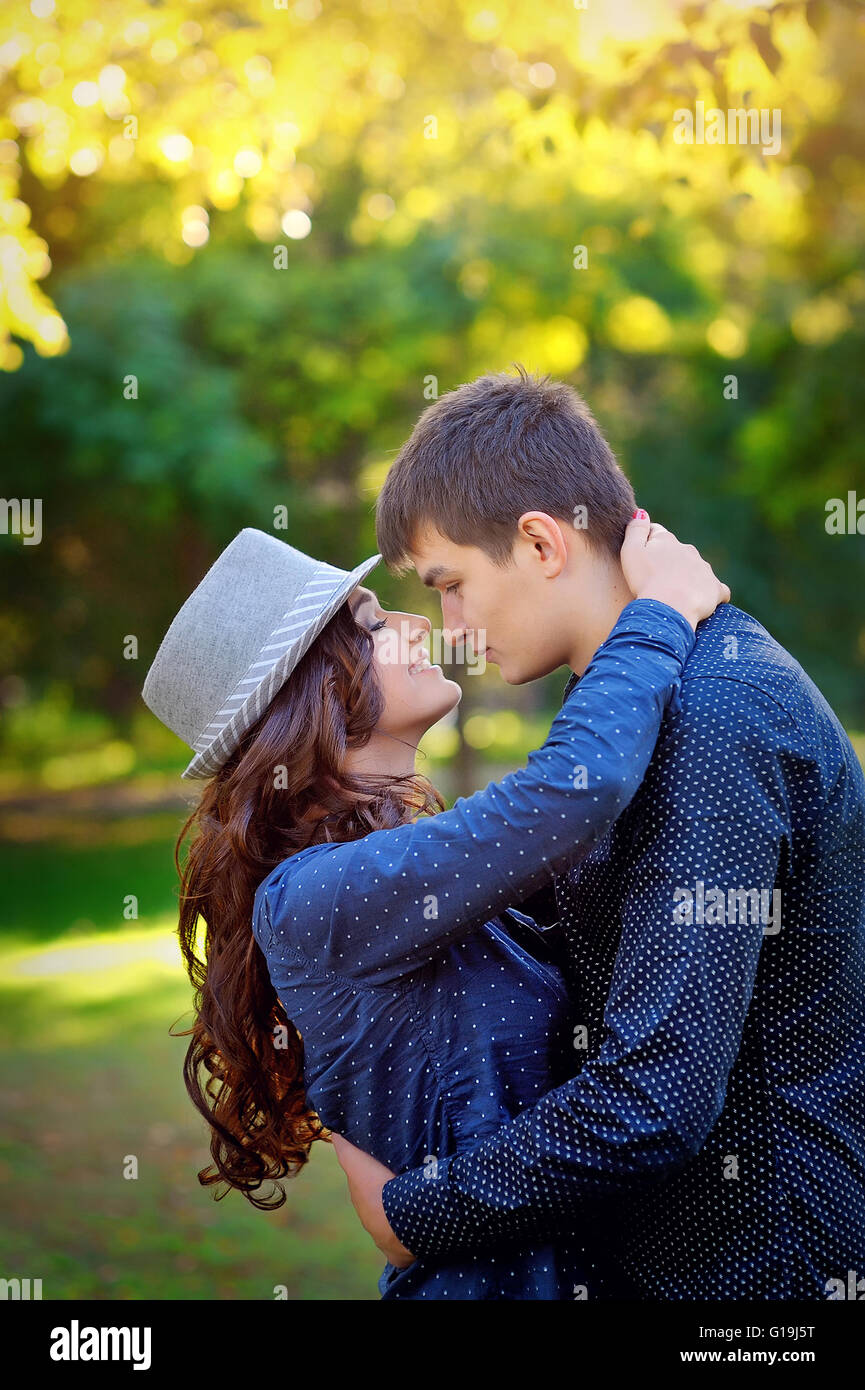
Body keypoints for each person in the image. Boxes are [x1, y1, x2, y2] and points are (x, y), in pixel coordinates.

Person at [331, 363, 865, 1301]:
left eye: (451, 584)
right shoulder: (639, 697)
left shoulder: (713, 715)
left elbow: (655, 1098)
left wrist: (415, 1214)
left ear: (539, 543)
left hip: (765, 1277)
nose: (450, 626)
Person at [140, 513, 727, 1299]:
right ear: (315, 687)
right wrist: (656, 613)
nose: (417, 622)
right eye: (374, 621)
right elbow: (572, 790)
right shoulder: (310, 898)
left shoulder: (414, 871)